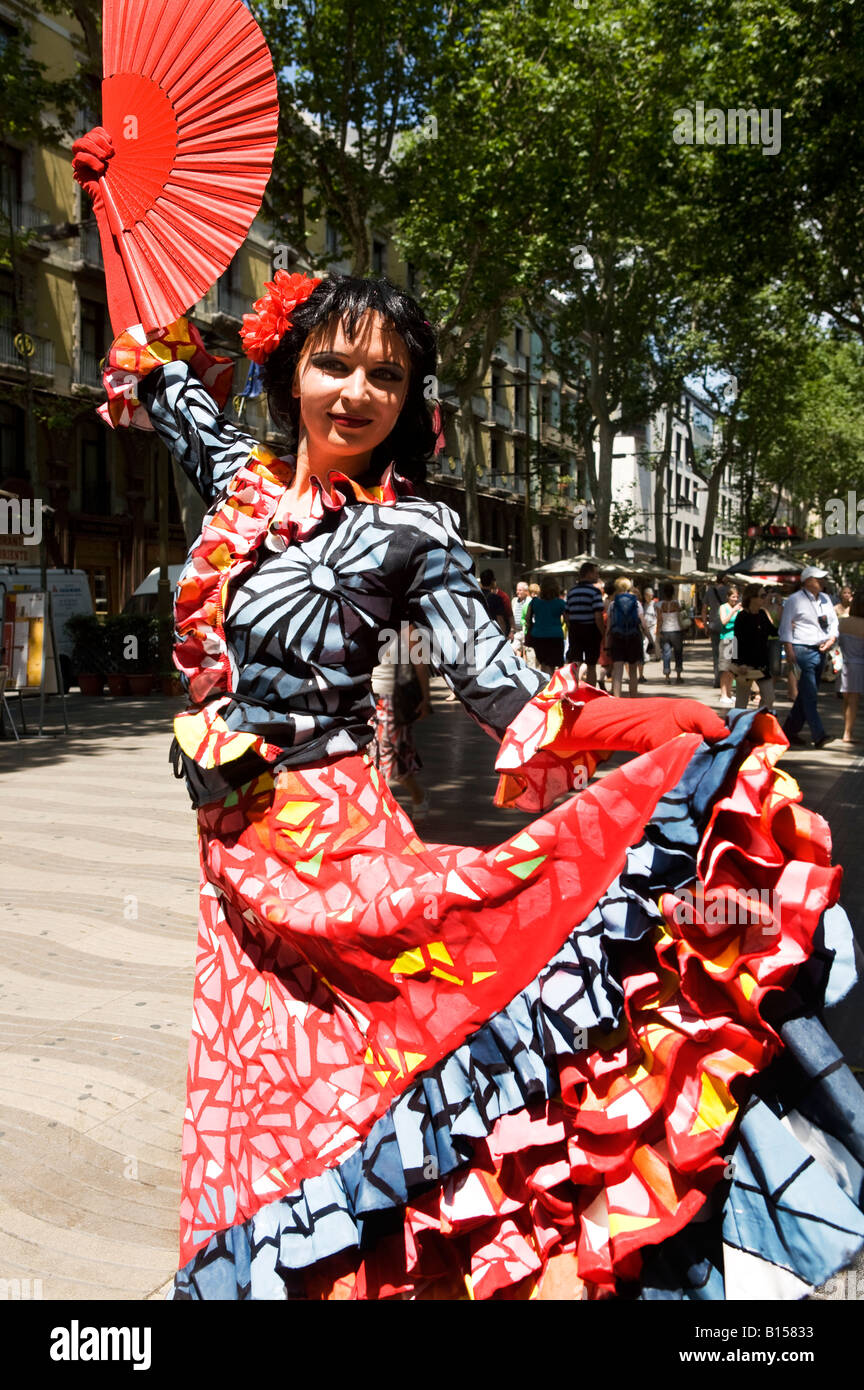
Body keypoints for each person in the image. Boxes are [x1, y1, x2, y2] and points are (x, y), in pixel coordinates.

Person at [75, 134, 864, 1304]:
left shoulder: (414, 536)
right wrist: (116, 206)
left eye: (384, 379)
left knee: (396, 1083)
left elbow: (500, 688)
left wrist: (651, 722)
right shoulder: (234, 486)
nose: (356, 393)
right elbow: (161, 363)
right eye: (337, 364)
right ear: (294, 366)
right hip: (234, 873)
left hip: (340, 849)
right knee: (266, 1106)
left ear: (405, 406)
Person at [371, 625, 431, 818]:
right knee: (375, 755)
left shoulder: (406, 625)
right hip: (370, 696)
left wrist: (426, 699)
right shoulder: (369, 618)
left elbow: (421, 663)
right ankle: (382, 808)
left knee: (391, 756)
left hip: (394, 699)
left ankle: (417, 796)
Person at [779, 566, 840, 748]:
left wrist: (832, 639)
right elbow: (785, 626)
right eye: (817, 578)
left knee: (806, 694)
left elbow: (834, 622)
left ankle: (789, 732)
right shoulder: (794, 600)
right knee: (810, 694)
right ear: (807, 581)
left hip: (821, 649)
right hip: (802, 649)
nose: (821, 581)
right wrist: (789, 649)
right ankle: (818, 734)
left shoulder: (825, 599)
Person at [731, 585, 777, 711]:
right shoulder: (742, 617)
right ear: (752, 598)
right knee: (741, 703)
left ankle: (759, 720)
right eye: (762, 595)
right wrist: (739, 663)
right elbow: (736, 641)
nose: (765, 598)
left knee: (769, 698)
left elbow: (774, 632)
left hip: (762, 665)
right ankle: (738, 727)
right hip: (745, 666)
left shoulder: (762, 614)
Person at [606, 577, 650, 699]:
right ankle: (633, 699)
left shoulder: (613, 604)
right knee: (633, 672)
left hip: (617, 638)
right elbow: (644, 624)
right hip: (633, 638)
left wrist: (607, 645)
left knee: (618, 672)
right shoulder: (636, 603)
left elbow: (609, 628)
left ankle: (617, 700)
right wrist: (651, 640)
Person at [565, 561, 605, 685]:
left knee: (575, 664)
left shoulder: (571, 592)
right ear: (588, 573)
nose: (597, 576)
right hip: (591, 630)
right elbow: (598, 616)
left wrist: (572, 626)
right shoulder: (595, 592)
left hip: (575, 629)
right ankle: (590, 695)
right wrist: (603, 632)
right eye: (595, 573)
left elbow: (566, 614)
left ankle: (574, 691)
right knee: (591, 665)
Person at [524, 578, 567, 674]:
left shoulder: (534, 602)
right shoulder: (561, 603)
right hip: (555, 636)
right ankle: (550, 684)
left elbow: (527, 619)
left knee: (543, 664)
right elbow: (568, 620)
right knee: (551, 665)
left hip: (538, 636)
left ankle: (546, 684)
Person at [838, 588, 864, 744]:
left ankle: (846, 730)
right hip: (858, 665)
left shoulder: (843, 622)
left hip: (844, 663)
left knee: (847, 700)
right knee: (854, 700)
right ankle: (848, 733)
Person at [716, 583, 743, 706]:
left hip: (737, 640)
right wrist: (733, 611)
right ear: (728, 597)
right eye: (733, 597)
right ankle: (723, 694)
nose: (735, 599)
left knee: (732, 670)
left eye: (736, 597)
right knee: (725, 669)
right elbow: (724, 622)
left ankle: (730, 693)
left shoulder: (739, 608)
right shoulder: (724, 607)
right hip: (726, 640)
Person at [701, 575, 728, 687]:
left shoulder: (710, 591)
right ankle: (727, 682)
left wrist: (705, 625)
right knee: (728, 655)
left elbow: (704, 610)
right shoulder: (730, 591)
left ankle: (717, 680)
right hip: (728, 626)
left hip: (713, 625)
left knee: (716, 655)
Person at [657, 581, 685, 683]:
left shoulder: (659, 605)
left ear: (663, 593)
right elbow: (679, 617)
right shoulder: (676, 604)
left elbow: (659, 619)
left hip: (665, 631)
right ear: (673, 592)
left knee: (666, 654)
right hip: (676, 631)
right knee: (678, 653)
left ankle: (667, 676)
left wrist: (658, 632)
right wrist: (682, 628)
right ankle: (678, 675)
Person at [479, 568, 508, 636]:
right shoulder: (496, 599)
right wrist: (503, 637)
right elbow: (500, 620)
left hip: (477, 632)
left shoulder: (474, 596)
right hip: (491, 633)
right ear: (492, 581)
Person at [510, 580, 531, 658]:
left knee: (526, 653)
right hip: (516, 632)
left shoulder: (530, 601)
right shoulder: (514, 600)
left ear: (526, 591)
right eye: (517, 590)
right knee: (513, 650)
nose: (517, 592)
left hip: (526, 631)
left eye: (520, 590)